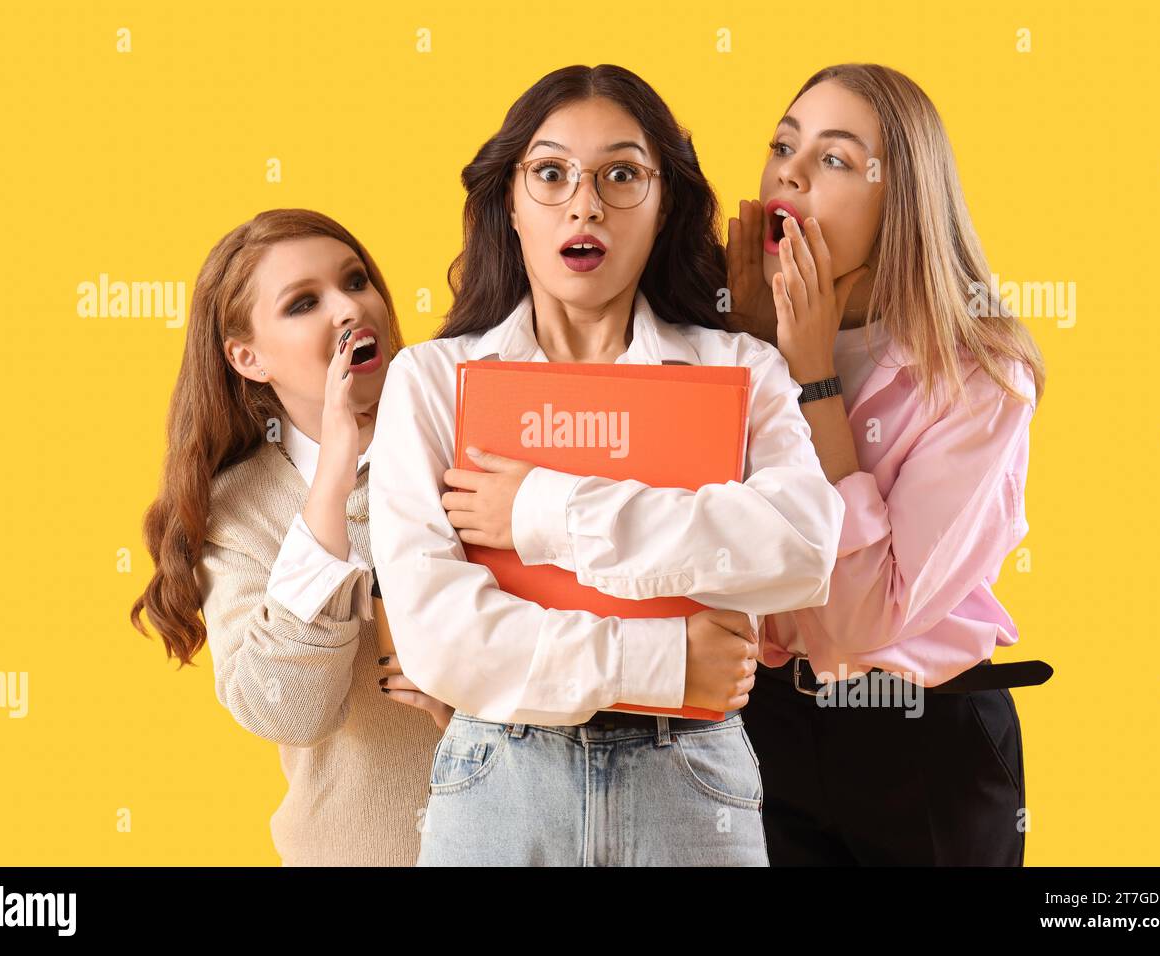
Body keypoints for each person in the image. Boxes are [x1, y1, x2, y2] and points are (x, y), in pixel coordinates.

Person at [368, 64, 846, 866]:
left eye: (622, 174)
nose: (583, 202)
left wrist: (541, 513)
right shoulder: (430, 382)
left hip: (692, 785)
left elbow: (801, 549)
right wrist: (666, 660)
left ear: (664, 208)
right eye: (550, 174)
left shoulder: (740, 371)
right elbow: (439, 637)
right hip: (499, 781)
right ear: (510, 206)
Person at [725, 63, 1047, 865]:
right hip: (763, 727)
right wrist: (740, 351)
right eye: (782, 145)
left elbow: (862, 625)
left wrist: (813, 381)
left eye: (833, 159)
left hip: (925, 742)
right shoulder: (737, 331)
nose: (788, 173)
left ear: (898, 199)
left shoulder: (980, 378)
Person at [130, 208, 451, 866]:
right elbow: (286, 712)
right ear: (247, 358)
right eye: (304, 302)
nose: (349, 308)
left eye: (356, 281)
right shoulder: (237, 509)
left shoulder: (462, 441)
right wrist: (331, 483)